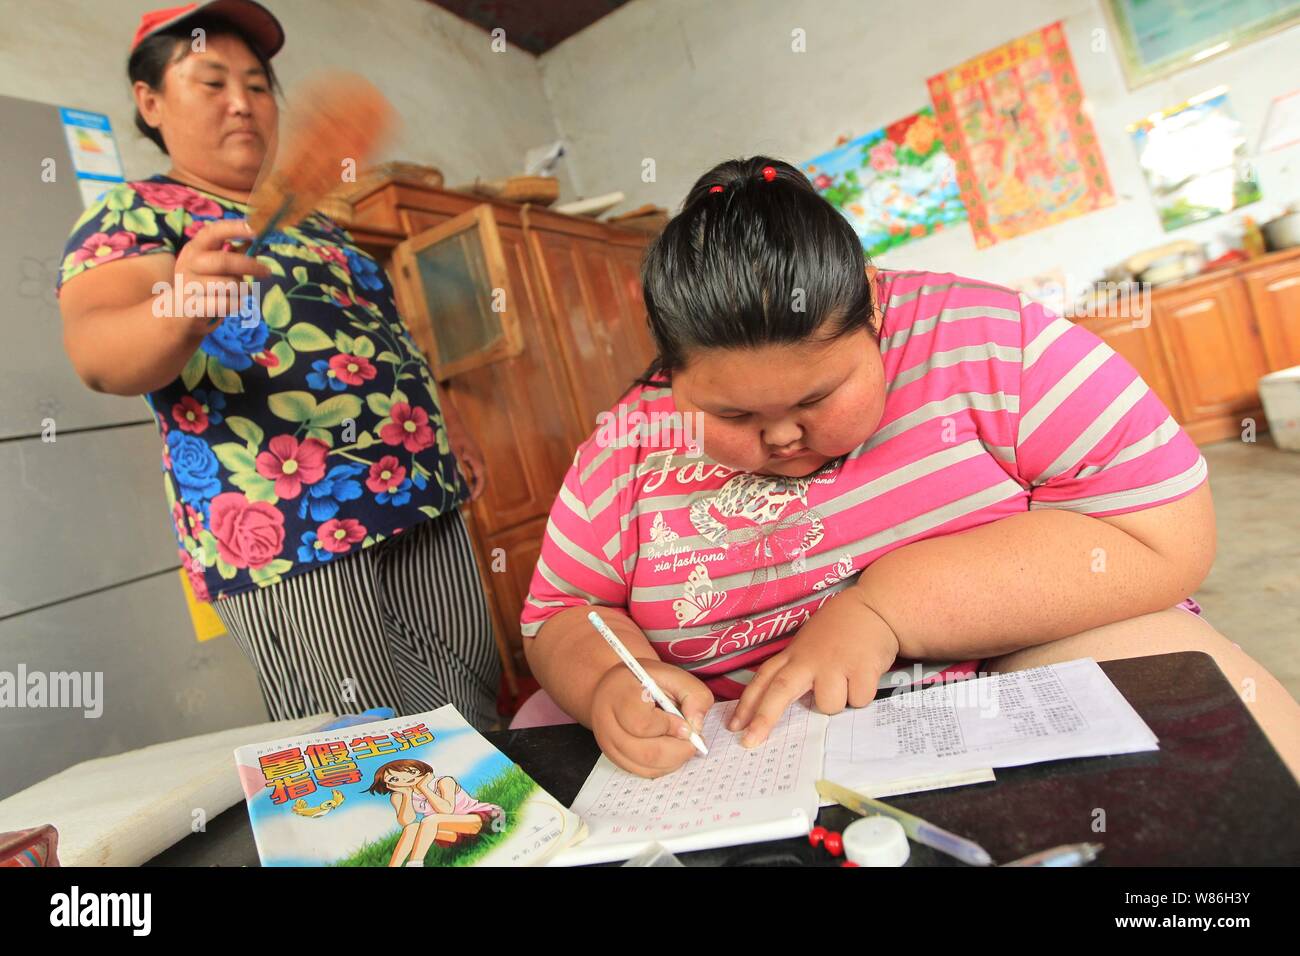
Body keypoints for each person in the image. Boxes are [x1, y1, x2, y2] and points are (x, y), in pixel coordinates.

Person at [519, 156, 1300, 781]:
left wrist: (886, 612)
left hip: (1002, 672)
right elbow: (564, 609)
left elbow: (1158, 535)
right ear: (671, 372)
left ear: (873, 305)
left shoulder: (994, 343)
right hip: (739, 752)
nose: (785, 435)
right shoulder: (627, 441)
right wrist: (609, 684)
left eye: (817, 396)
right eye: (734, 417)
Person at [56, 1, 499, 728]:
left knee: (471, 712)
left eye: (259, 85)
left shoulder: (317, 222)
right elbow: (99, 355)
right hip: (289, 527)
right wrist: (188, 301)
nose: (243, 103)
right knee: (368, 746)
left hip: (419, 496)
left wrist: (450, 430)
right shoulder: (135, 214)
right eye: (211, 82)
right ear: (150, 100)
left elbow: (385, 337)